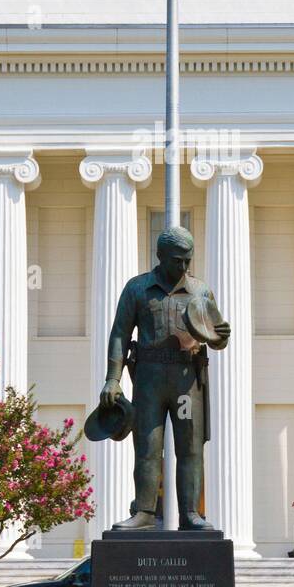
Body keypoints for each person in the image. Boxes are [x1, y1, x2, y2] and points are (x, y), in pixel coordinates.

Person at [99, 224, 229, 531]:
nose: (183, 266)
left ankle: (190, 514)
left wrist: (222, 337)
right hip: (148, 379)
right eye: (176, 260)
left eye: (188, 259)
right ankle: (144, 512)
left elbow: (215, 335)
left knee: (190, 447)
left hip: (186, 379)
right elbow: (119, 333)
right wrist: (113, 378)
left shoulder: (201, 291)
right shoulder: (137, 288)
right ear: (160, 256)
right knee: (147, 446)